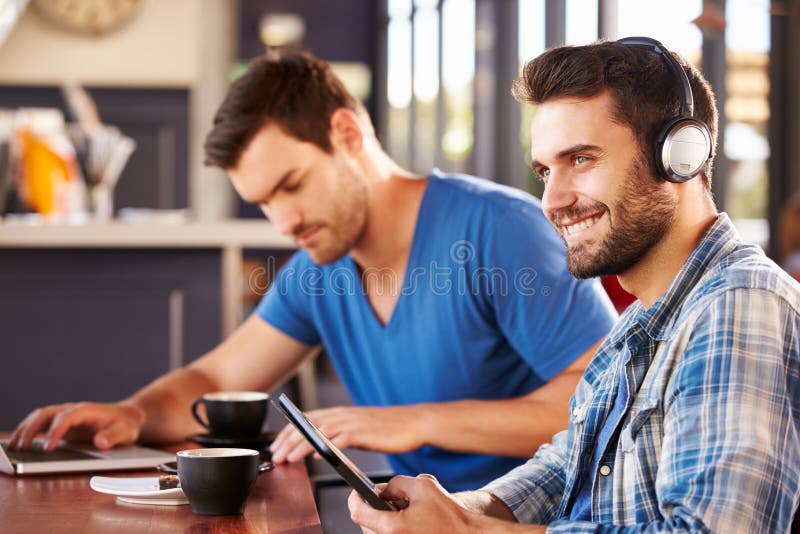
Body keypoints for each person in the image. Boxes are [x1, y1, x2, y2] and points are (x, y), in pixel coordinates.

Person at [9, 50, 617, 491]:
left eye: (291, 185)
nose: (283, 220)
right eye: (264, 202)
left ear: (347, 133)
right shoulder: (317, 270)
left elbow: (603, 402)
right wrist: (133, 414)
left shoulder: (502, 230)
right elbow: (216, 378)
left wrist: (411, 423)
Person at [349, 38, 800, 532]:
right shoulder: (642, 320)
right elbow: (571, 463)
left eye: (581, 159)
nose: (552, 200)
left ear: (680, 156)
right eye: (545, 170)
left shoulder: (738, 303)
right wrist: (467, 508)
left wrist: (467, 531)